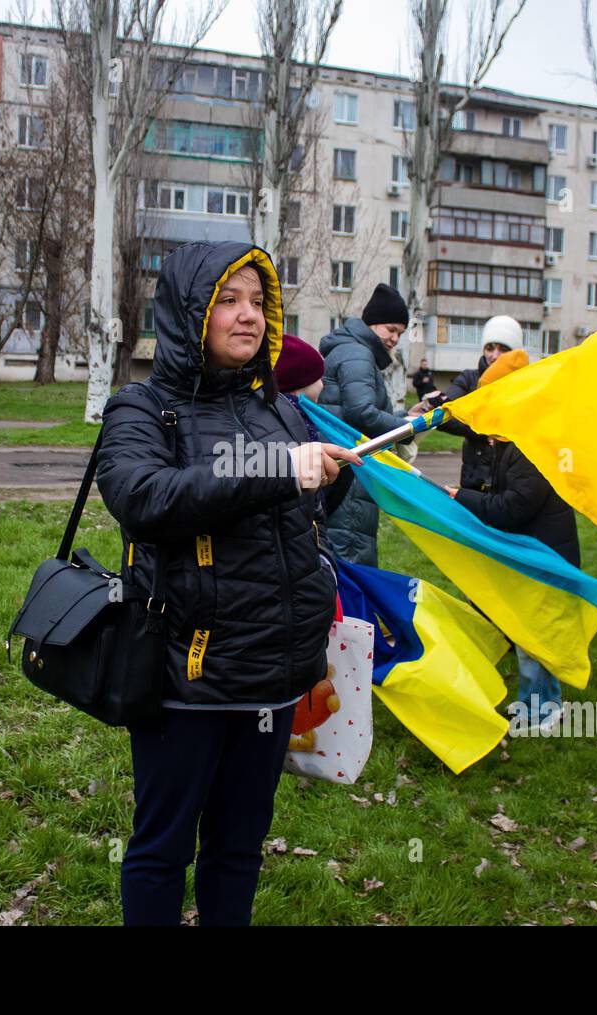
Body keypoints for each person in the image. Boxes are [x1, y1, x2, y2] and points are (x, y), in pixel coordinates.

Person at [95, 242, 362, 927]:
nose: (248, 316)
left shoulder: (279, 409)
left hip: (273, 677)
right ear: (191, 315)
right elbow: (144, 497)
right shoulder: (141, 410)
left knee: (239, 848)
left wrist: (329, 484)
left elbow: (291, 523)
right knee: (162, 848)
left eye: (257, 301)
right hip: (188, 676)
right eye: (228, 300)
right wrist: (282, 471)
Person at [445, 350, 578, 735]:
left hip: (542, 557)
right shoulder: (515, 437)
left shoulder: (529, 443)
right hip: (535, 552)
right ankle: (538, 702)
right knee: (530, 632)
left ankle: (544, 711)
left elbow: (514, 507)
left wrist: (462, 498)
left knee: (533, 637)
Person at [317, 283, 411, 566]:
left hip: (345, 469)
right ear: (372, 324)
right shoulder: (358, 354)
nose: (395, 338)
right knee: (350, 555)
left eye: (400, 334)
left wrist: (405, 415)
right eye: (390, 330)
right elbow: (362, 412)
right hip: (350, 474)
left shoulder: (353, 350)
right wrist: (407, 430)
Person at [412, 314, 523, 493]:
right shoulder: (469, 378)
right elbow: (448, 409)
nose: (494, 356)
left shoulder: (522, 386)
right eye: (489, 348)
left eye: (503, 349)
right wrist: (440, 402)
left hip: (509, 479)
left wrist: (478, 426)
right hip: (474, 476)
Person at [274, 332, 355, 526]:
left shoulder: (300, 418)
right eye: (317, 378)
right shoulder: (295, 423)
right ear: (297, 386)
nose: (323, 384)